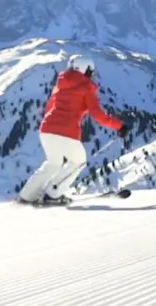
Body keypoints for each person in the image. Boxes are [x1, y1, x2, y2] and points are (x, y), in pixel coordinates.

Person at [17, 54, 129, 205]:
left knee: (53, 163)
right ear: (83, 69)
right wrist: (119, 126)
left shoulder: (60, 85)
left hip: (46, 128)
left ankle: (27, 196)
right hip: (66, 131)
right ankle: (53, 195)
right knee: (78, 161)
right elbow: (97, 115)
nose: (91, 75)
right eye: (90, 71)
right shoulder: (86, 86)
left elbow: (49, 107)